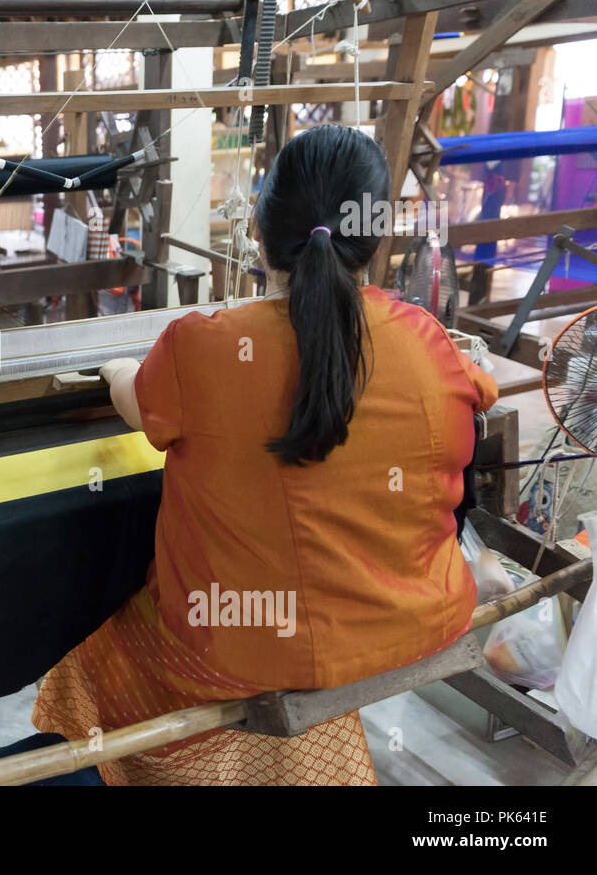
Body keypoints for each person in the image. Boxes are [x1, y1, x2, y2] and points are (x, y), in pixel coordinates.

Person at [32, 124, 498, 785]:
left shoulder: (202, 347)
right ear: (375, 237)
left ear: (258, 229)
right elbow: (475, 392)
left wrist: (112, 369)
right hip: (415, 625)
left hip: (239, 648)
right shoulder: (425, 338)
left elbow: (139, 406)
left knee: (94, 644)